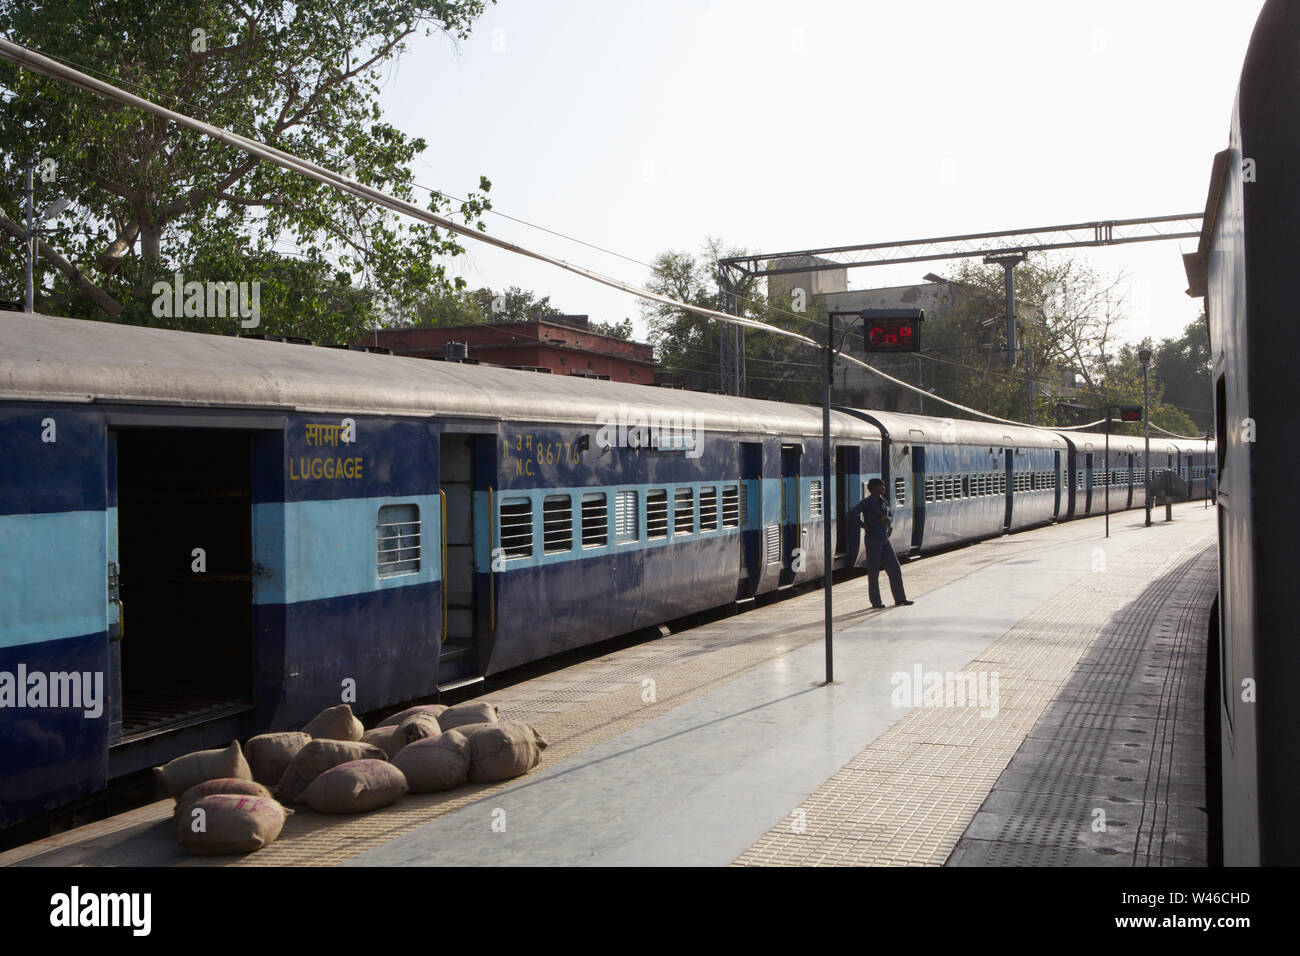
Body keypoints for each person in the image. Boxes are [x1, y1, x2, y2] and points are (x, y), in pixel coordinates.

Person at [848, 477, 913, 608]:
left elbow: (890, 516)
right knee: (873, 572)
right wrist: (863, 525)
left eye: (883, 486)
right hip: (873, 540)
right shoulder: (867, 502)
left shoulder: (883, 501)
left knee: (895, 568)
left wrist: (886, 519)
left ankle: (900, 598)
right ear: (873, 488)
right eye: (881, 486)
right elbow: (851, 514)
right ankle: (876, 602)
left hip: (884, 539)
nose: (884, 488)